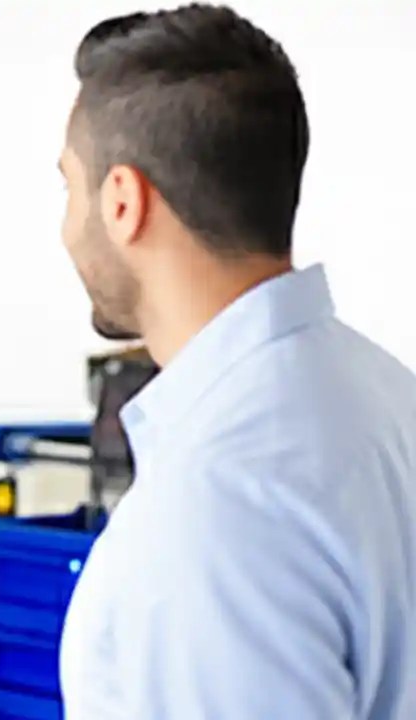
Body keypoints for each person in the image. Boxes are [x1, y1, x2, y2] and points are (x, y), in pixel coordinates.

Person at [55, 4, 416, 718]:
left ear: (123, 201)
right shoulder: (389, 398)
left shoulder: (212, 507)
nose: (66, 225)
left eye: (68, 186)